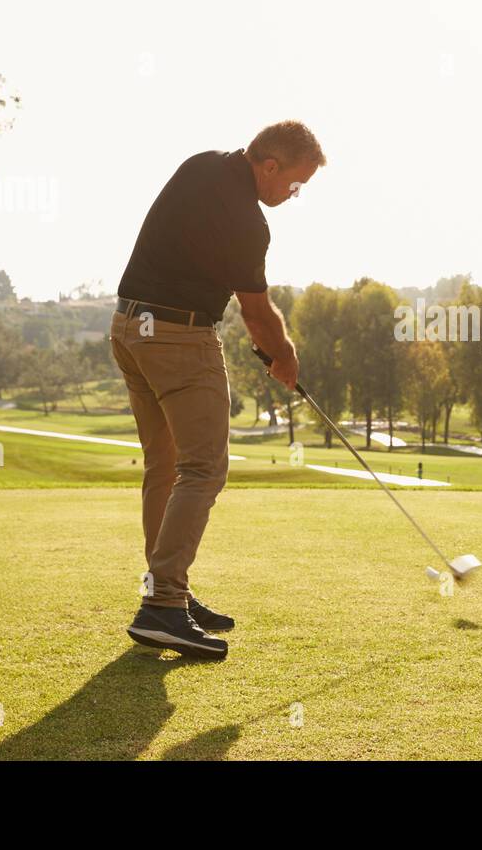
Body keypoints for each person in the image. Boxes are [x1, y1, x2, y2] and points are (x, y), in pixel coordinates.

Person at [110, 120, 325, 660]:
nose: (293, 196)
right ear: (269, 165)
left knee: (167, 465)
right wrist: (286, 355)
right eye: (294, 184)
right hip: (178, 338)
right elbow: (256, 313)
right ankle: (162, 605)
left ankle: (169, 593)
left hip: (129, 329)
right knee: (204, 468)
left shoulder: (201, 164)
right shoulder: (249, 223)